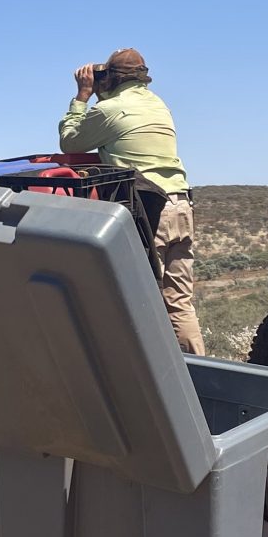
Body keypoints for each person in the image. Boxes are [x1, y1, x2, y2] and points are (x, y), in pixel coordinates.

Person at [59, 47, 204, 354]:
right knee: (179, 302)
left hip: (151, 208)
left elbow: (70, 140)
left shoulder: (107, 111)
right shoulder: (157, 104)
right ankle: (202, 377)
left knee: (142, 299)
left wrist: (83, 96)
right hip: (181, 205)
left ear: (110, 78)